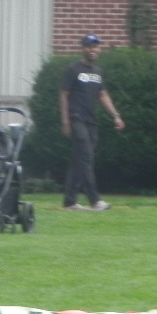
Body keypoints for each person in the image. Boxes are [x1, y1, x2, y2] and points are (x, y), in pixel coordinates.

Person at [60, 34, 125, 211]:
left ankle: (69, 202)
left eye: (95, 46)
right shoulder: (73, 70)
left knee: (79, 160)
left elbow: (102, 95)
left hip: (91, 121)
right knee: (86, 158)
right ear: (83, 49)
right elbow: (64, 95)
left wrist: (115, 115)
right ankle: (94, 200)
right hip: (76, 118)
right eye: (89, 46)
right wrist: (65, 121)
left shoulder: (98, 72)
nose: (93, 50)